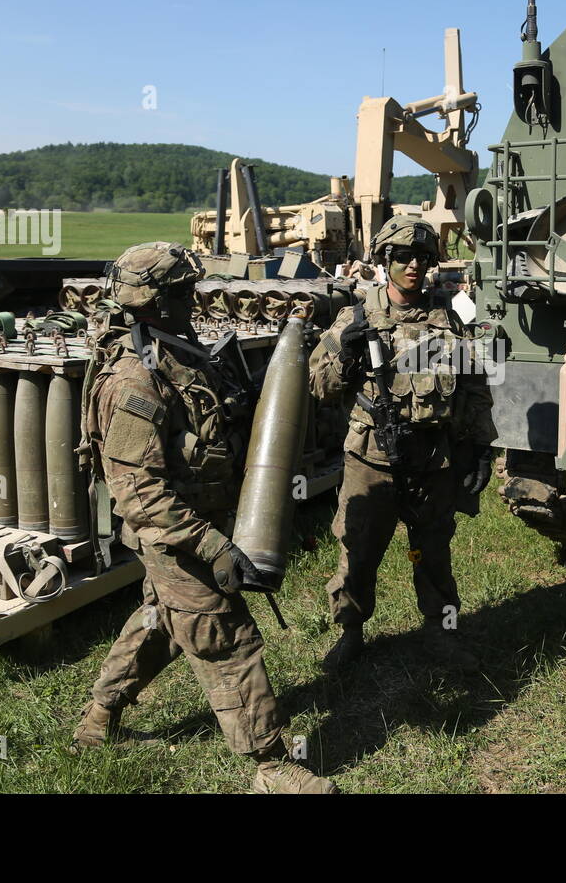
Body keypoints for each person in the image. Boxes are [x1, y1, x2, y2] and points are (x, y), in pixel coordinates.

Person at [71, 241, 336, 794]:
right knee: (225, 637)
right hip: (176, 536)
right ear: (157, 301)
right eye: (183, 291)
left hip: (201, 523)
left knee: (161, 623)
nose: (194, 297)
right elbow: (139, 494)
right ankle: (271, 763)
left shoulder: (176, 354)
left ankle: (98, 717)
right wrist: (215, 547)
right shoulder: (135, 382)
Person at [309, 216, 495, 671]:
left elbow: (475, 385)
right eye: (402, 258)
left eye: (423, 259)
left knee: (433, 551)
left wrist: (480, 448)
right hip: (372, 458)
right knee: (358, 549)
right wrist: (343, 353)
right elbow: (319, 386)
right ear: (384, 262)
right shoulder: (355, 316)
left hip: (434, 456)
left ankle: (441, 632)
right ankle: (350, 632)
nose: (414, 266)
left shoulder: (451, 315)